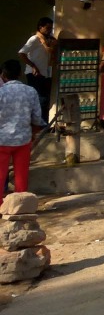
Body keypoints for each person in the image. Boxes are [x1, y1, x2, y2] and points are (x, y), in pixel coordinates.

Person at [0, 59, 45, 200]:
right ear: (20, 73)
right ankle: (21, 204)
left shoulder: (1, 93)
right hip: (23, 139)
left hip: (2, 140)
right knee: (21, 175)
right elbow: (37, 117)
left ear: (3, 75)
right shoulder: (31, 91)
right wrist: (33, 132)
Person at [18, 16, 57, 114]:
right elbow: (21, 53)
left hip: (46, 74)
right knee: (40, 100)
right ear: (40, 27)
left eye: (51, 28)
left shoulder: (49, 41)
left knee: (45, 101)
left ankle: (42, 125)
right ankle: (38, 126)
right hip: (35, 74)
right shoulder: (35, 39)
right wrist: (33, 66)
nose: (49, 31)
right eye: (47, 28)